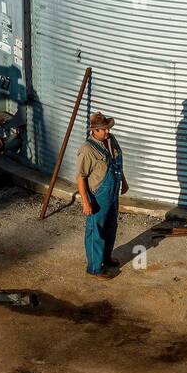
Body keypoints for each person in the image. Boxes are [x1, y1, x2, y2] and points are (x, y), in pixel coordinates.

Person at [76, 111, 129, 278]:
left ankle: (106, 258)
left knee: (111, 227)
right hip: (99, 194)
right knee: (96, 230)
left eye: (108, 128)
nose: (107, 132)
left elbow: (116, 162)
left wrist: (124, 181)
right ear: (94, 130)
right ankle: (95, 267)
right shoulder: (87, 149)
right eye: (104, 129)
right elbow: (80, 177)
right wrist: (86, 202)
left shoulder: (110, 140)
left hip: (113, 191)